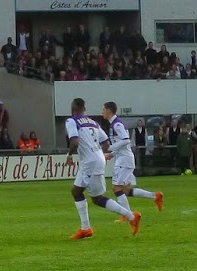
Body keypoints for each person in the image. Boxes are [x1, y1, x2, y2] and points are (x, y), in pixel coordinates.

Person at [64, 98, 139, 239]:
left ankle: (131, 216)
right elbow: (105, 142)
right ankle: (85, 229)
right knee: (76, 191)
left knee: (97, 199)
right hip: (94, 159)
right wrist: (102, 155)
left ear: (73, 107)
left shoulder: (71, 121)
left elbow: (74, 141)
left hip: (90, 162)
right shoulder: (94, 123)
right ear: (84, 109)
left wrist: (69, 155)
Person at [103, 103, 162, 218]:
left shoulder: (117, 124)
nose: (102, 112)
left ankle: (128, 216)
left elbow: (126, 140)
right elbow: (122, 144)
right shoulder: (113, 125)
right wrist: (112, 153)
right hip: (124, 158)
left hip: (124, 160)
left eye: (103, 109)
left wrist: (110, 148)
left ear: (109, 110)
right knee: (125, 190)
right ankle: (155, 196)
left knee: (116, 188)